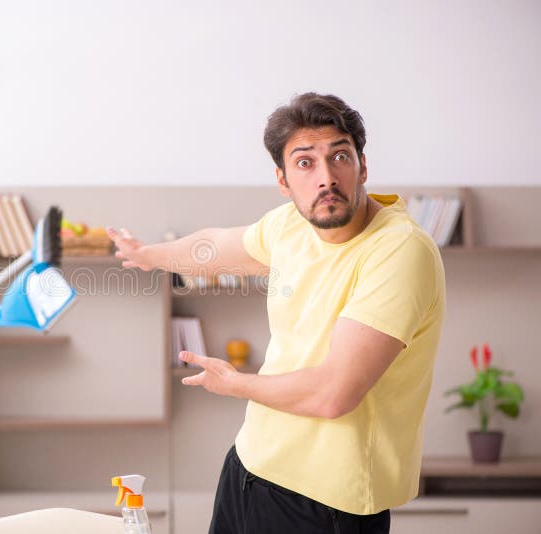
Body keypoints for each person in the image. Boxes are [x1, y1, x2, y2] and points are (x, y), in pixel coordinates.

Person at [108, 93, 445, 533]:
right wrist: (150, 254)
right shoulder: (291, 224)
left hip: (326, 504)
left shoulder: (399, 250)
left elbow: (333, 393)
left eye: (339, 156)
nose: (326, 177)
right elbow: (215, 248)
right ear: (283, 181)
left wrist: (236, 384)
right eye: (305, 163)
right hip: (249, 469)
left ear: (363, 166)